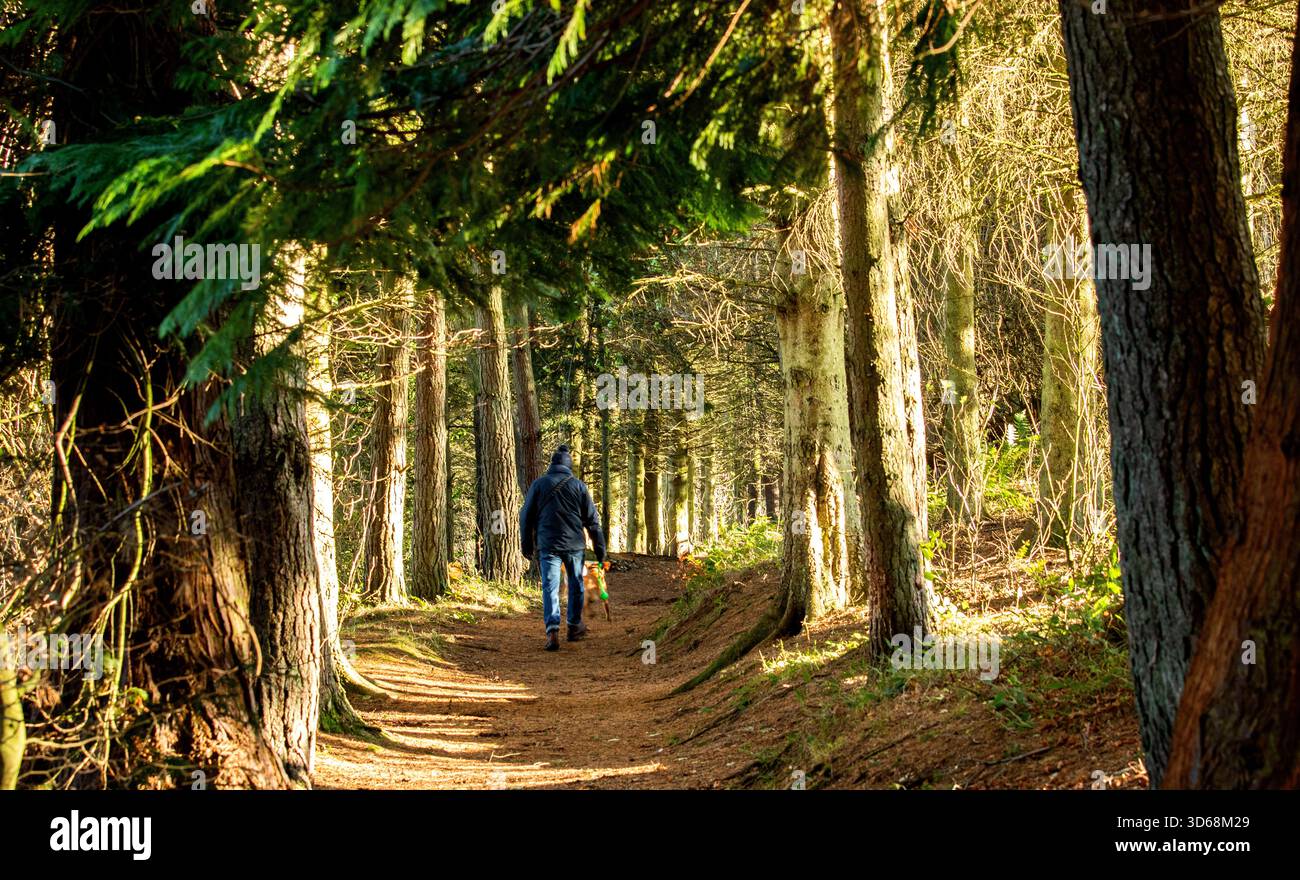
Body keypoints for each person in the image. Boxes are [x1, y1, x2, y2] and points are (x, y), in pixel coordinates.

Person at [519, 444, 607, 651]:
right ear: (569, 466)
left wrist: (526, 544)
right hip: (574, 545)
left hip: (547, 545)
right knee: (576, 584)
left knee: (550, 587)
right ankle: (574, 626)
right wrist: (600, 549)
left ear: (552, 465)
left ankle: (552, 630)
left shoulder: (539, 485)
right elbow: (593, 522)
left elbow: (525, 516)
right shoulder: (578, 486)